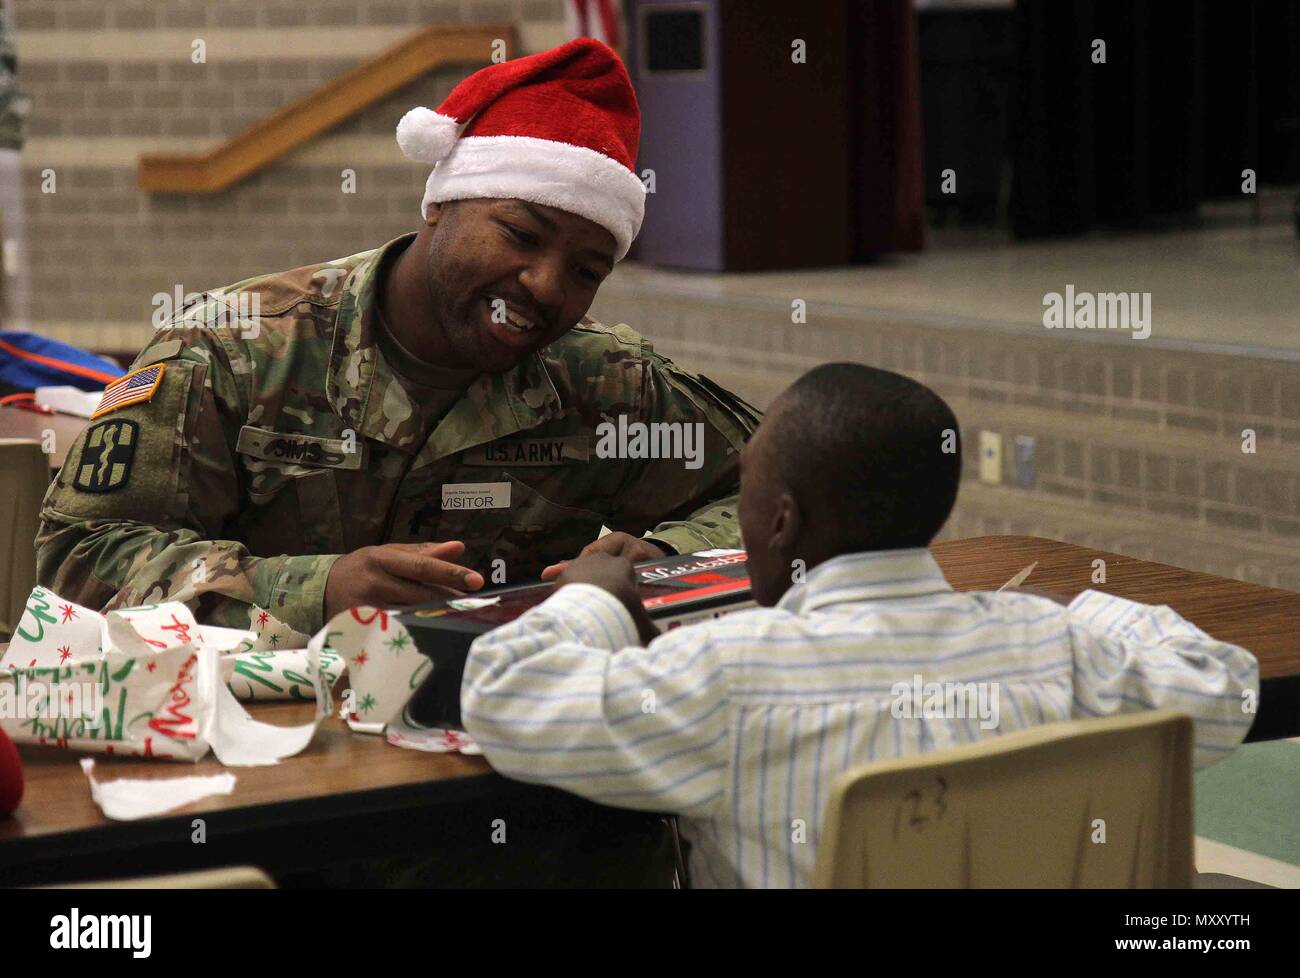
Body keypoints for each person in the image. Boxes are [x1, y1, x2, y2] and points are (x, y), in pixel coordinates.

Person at [35, 40, 758, 635]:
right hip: (261, 753)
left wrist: (665, 557)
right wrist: (315, 589)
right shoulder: (230, 349)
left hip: (504, 743)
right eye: (520, 234)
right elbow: (78, 559)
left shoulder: (605, 383)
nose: (545, 284)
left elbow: (789, 494)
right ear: (441, 205)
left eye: (586, 269)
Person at [461, 362, 1259, 888]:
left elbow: (500, 693)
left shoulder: (724, 676)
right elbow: (1223, 680)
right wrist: (1072, 614)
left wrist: (598, 596)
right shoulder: (1062, 651)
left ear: (780, 521)